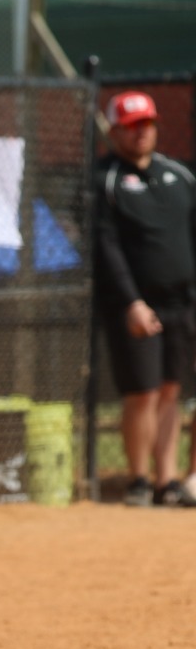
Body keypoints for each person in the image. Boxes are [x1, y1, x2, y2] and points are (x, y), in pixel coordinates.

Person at [91, 91, 196, 507]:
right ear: (114, 131)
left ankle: (166, 481)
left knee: (171, 389)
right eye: (132, 126)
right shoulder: (106, 181)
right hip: (135, 305)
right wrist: (132, 302)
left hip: (183, 302)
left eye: (147, 124)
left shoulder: (180, 175)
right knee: (143, 393)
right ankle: (138, 478)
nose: (141, 133)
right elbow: (107, 247)